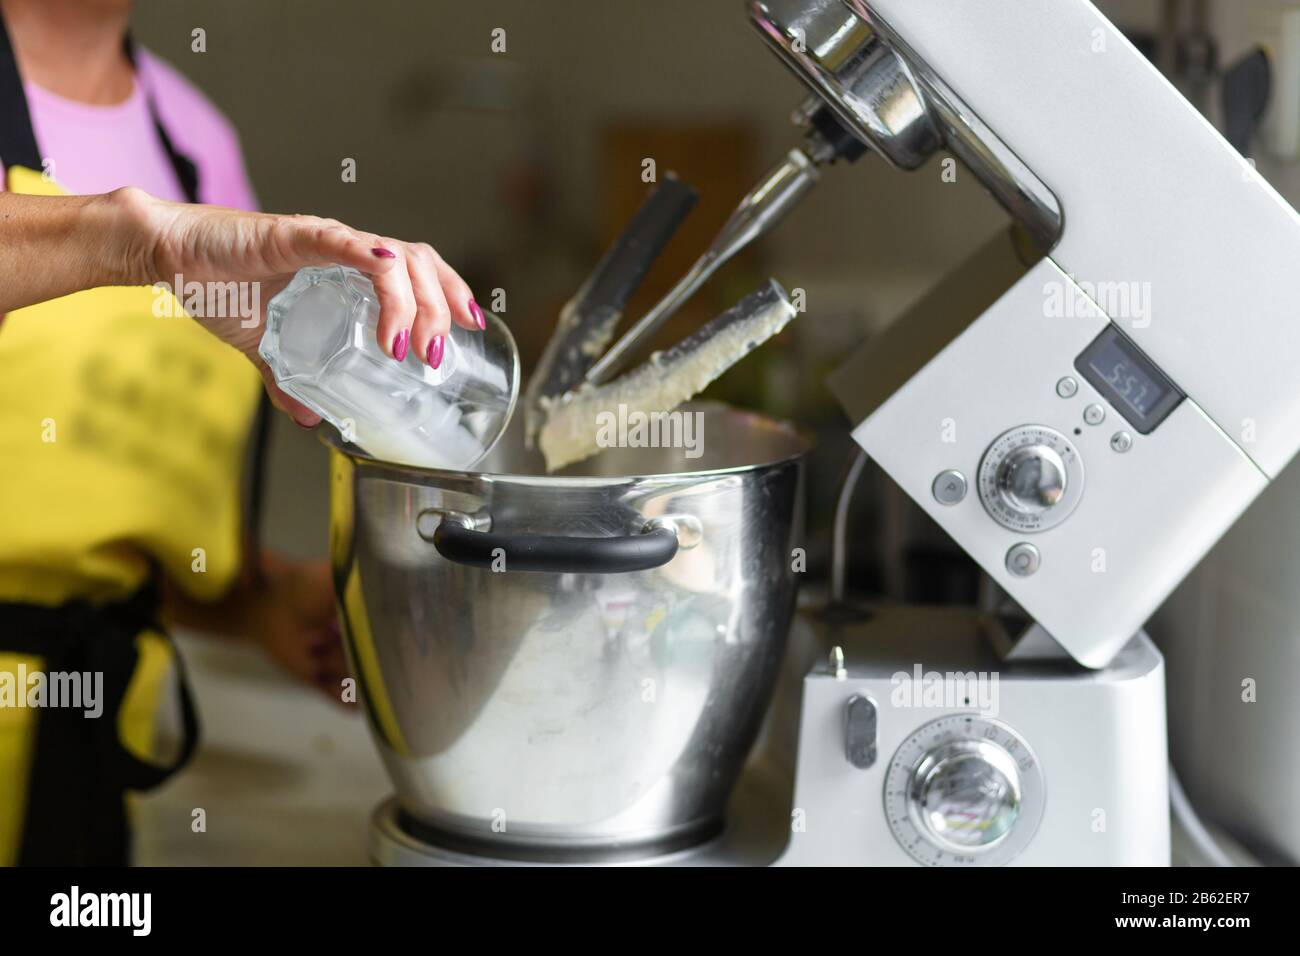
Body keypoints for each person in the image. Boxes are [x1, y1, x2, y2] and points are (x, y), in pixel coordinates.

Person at [0, 0, 483, 865]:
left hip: (86, 737)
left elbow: (102, 510)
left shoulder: (192, 140)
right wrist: (139, 239)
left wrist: (251, 601)